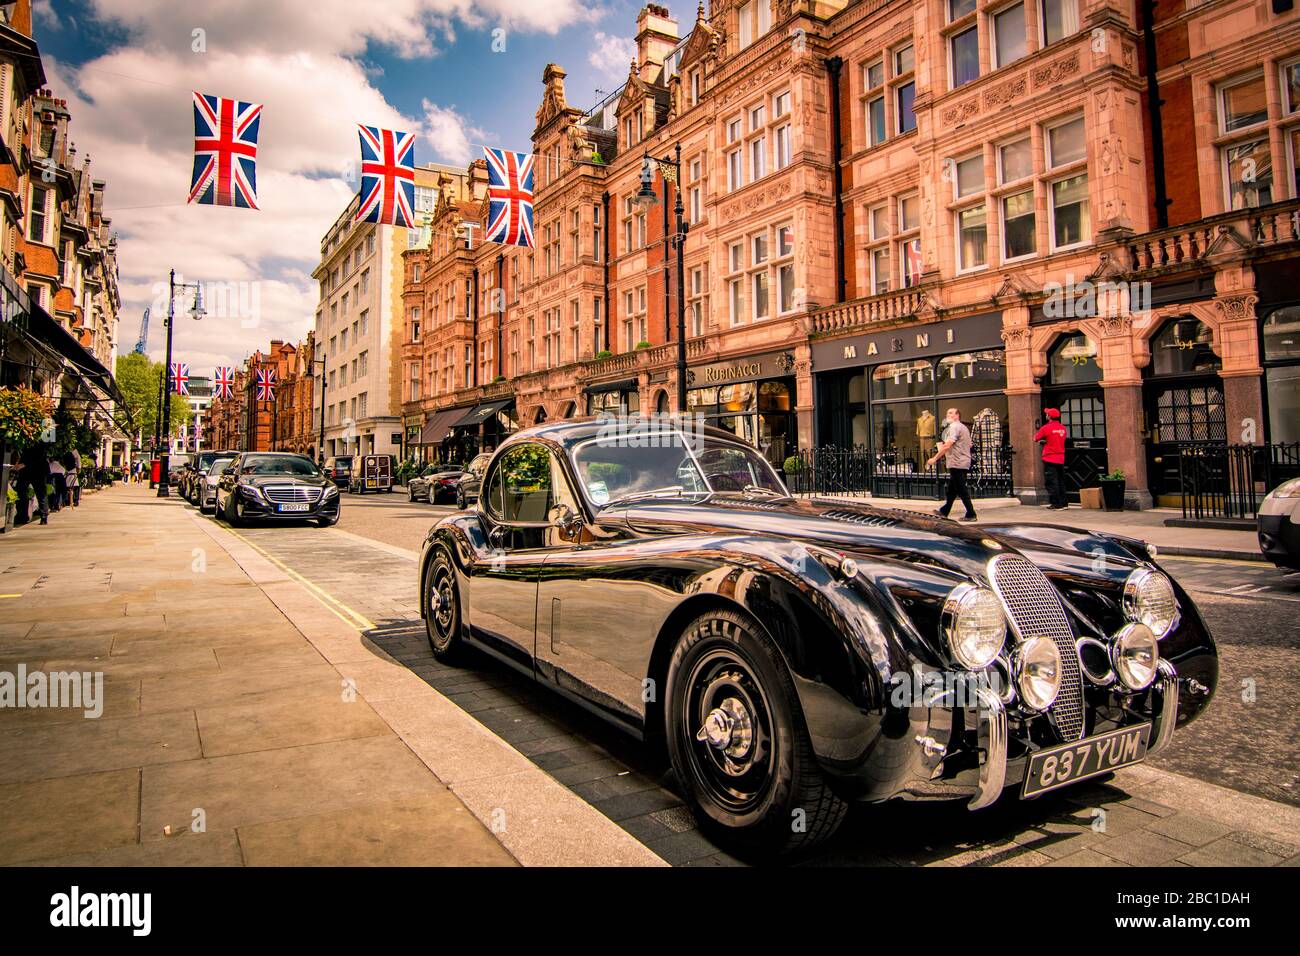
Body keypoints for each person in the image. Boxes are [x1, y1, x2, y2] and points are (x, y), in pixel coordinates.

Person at [926, 407, 977, 522]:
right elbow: (969, 445)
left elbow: (948, 445)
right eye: (947, 413)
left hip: (957, 462)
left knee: (961, 489)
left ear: (957, 415)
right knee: (952, 489)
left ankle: (971, 514)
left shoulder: (954, 427)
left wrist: (934, 458)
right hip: (962, 461)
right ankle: (945, 511)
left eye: (950, 413)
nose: (948, 415)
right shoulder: (964, 427)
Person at [1035, 408, 1070, 510]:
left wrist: (1044, 441)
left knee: (1051, 482)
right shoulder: (1063, 428)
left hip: (1050, 457)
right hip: (1060, 457)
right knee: (1060, 480)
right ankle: (1064, 503)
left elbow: (1036, 438)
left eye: (1047, 414)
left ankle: (1056, 504)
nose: (1046, 415)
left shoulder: (1046, 428)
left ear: (1049, 417)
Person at [15, 443, 51, 525]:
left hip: (37, 470)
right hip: (29, 470)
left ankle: (43, 516)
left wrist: (23, 464)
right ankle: (23, 516)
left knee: (40, 493)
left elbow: (39, 454)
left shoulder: (39, 442)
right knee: (21, 491)